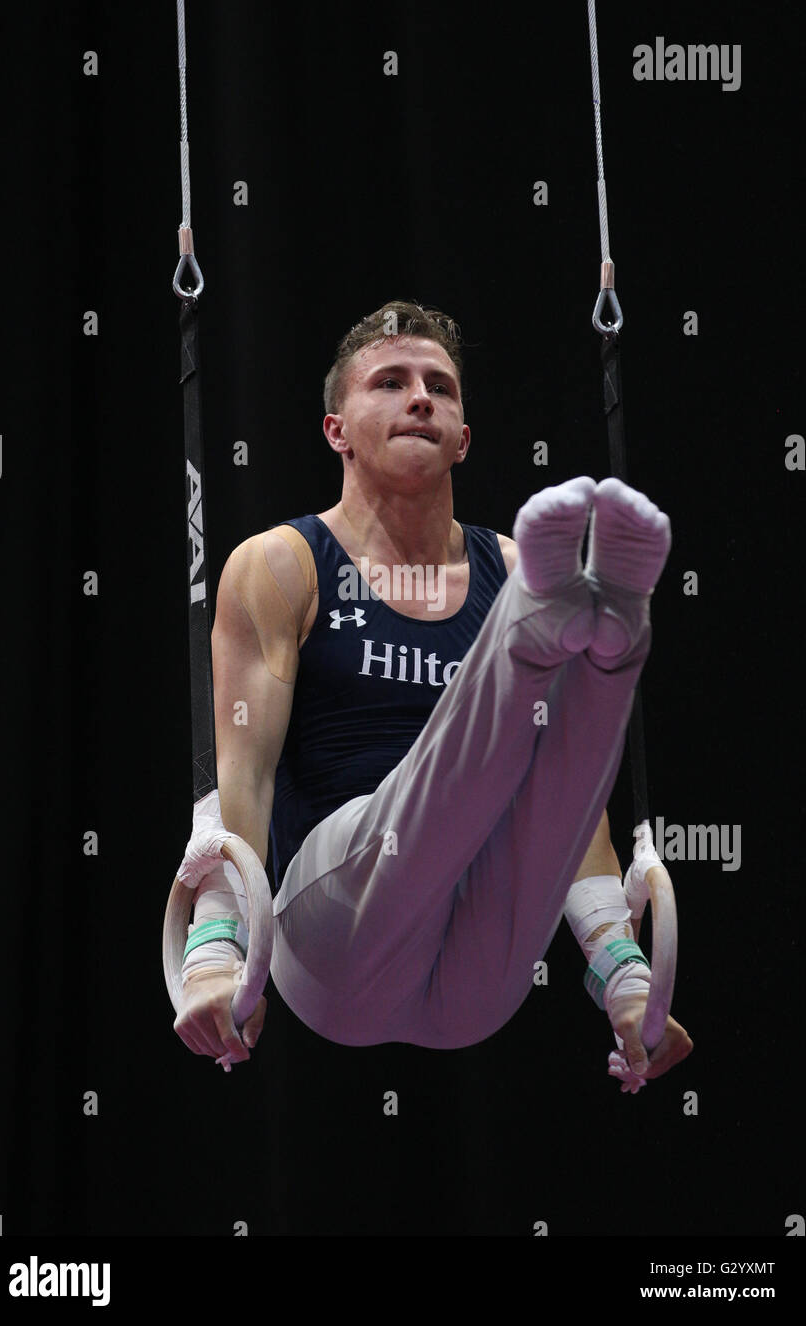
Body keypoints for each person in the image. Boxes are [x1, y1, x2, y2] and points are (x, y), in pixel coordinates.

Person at [174, 300, 693, 1090]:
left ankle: (611, 646)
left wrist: (627, 978)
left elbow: (571, 814)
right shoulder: (283, 566)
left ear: (463, 439)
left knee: (540, 778)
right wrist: (215, 951)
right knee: (445, 784)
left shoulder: (512, 563)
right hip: (334, 942)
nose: (421, 397)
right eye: (389, 381)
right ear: (335, 430)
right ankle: (553, 637)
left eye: (440, 389)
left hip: (479, 991)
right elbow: (240, 777)